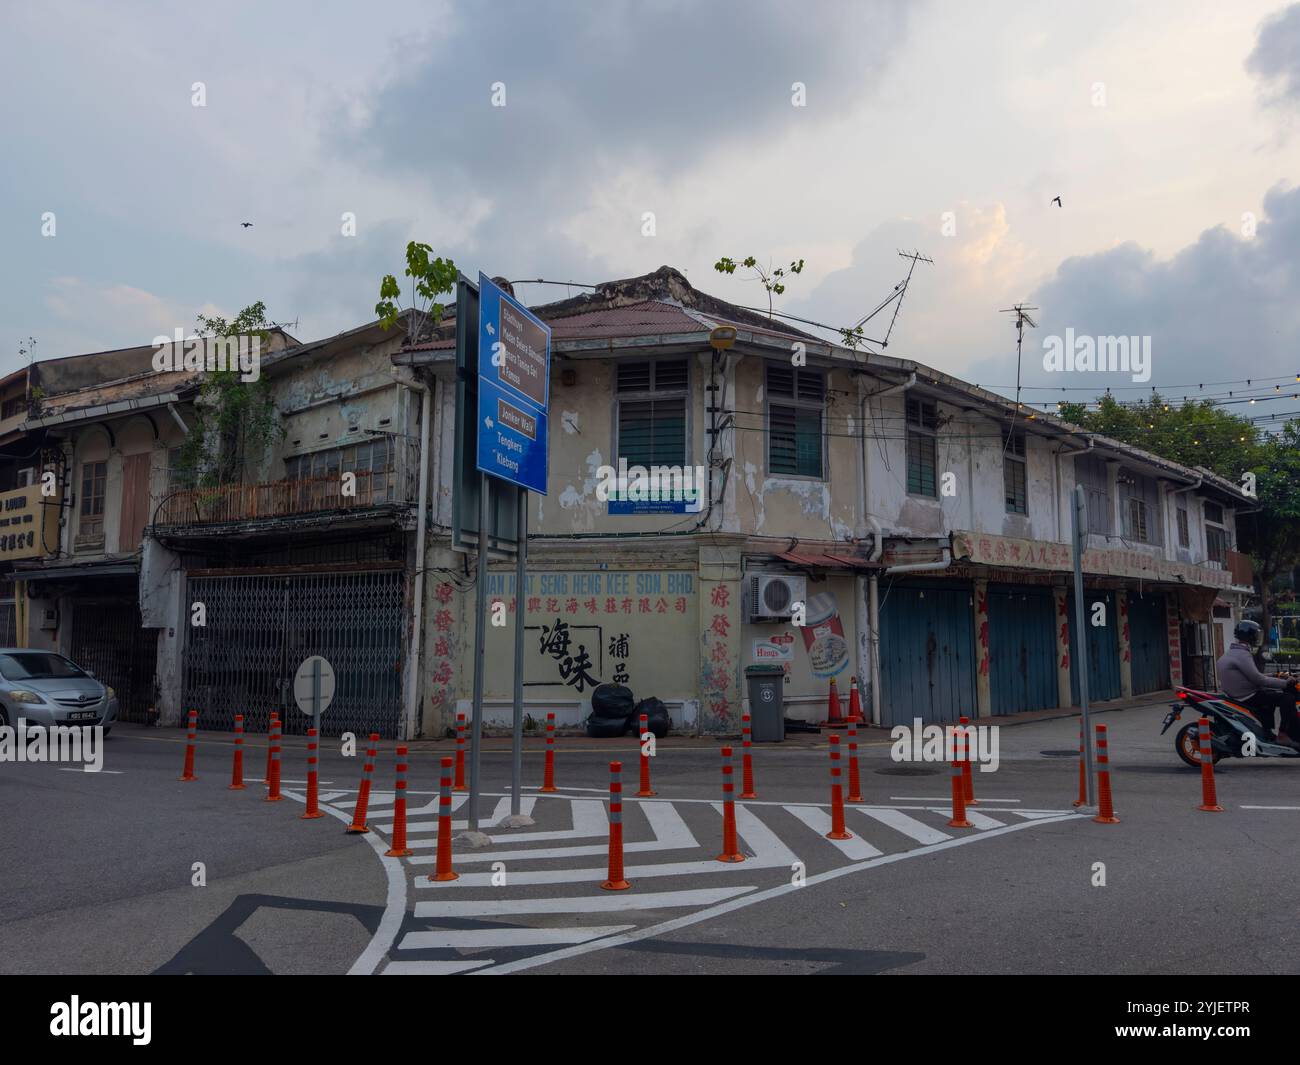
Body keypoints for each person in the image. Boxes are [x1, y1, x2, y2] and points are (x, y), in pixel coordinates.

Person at [1216, 620, 1300, 748]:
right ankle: (1283, 736)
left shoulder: (1233, 652)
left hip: (1240, 694)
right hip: (1247, 696)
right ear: (1250, 636)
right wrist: (1285, 683)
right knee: (1288, 698)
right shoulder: (1243, 655)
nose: (1258, 638)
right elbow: (1259, 679)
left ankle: (1266, 732)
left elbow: (1252, 675)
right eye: (1257, 635)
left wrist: (1275, 675)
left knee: (1271, 697)